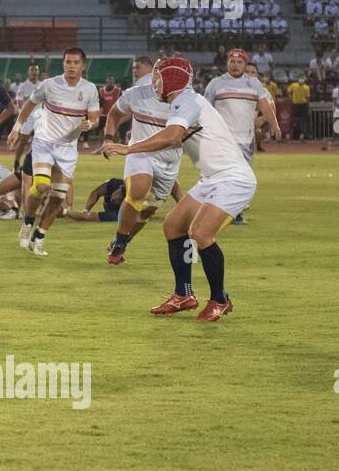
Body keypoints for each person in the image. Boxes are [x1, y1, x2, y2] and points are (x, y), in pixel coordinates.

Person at [100, 56, 255, 323]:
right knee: (173, 227)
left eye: (157, 78)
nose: (154, 83)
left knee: (200, 234)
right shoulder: (183, 102)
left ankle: (220, 299)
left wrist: (129, 148)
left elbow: (171, 136)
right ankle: (183, 294)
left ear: (170, 79)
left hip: (234, 179)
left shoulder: (186, 101)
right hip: (212, 179)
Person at [12, 47, 100, 256]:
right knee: (41, 185)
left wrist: (91, 124)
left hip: (68, 148)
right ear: (63, 64)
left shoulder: (89, 89)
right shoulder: (49, 85)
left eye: (75, 62)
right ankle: (28, 221)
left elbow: (95, 117)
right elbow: (29, 105)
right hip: (44, 142)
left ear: (83, 65)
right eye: (68, 62)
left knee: (58, 197)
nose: (71, 66)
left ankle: (39, 235)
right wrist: (17, 127)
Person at [101, 56, 184, 265]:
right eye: (157, 71)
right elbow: (114, 114)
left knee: (147, 210)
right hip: (139, 153)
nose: (159, 76)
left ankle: (122, 242)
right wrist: (108, 139)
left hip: (169, 161)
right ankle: (120, 241)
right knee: (138, 192)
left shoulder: (186, 101)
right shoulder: (136, 94)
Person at [204, 48, 280, 224]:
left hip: (245, 140)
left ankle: (229, 212)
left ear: (244, 65)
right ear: (227, 63)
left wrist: (274, 125)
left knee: (241, 179)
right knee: (224, 177)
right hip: (222, 140)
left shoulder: (254, 85)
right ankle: (227, 213)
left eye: (239, 62)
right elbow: (205, 110)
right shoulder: (215, 84)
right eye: (232, 61)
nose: (235, 65)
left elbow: (266, 106)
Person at [286, 74, 311, 141]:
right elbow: (288, 92)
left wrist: (308, 108)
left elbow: (308, 98)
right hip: (295, 105)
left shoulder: (307, 87)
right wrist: (291, 98)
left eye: (302, 78)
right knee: (292, 120)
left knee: (303, 121)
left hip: (303, 105)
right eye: (300, 78)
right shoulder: (293, 85)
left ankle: (302, 136)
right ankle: (288, 135)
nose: (301, 79)